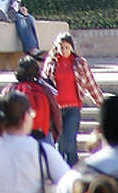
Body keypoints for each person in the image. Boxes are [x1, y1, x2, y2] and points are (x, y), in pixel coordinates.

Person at [40, 30, 101, 165]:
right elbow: (44, 84)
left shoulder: (79, 63)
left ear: (72, 48)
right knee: (60, 142)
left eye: (67, 47)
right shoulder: (51, 63)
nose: (64, 50)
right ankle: (59, 168)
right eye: (61, 47)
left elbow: (90, 84)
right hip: (56, 108)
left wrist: (101, 102)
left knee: (70, 140)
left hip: (73, 107)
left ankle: (74, 167)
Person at [14, 55, 60, 140]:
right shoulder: (44, 89)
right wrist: (57, 131)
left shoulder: (12, 89)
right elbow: (55, 110)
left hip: (19, 134)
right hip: (43, 133)